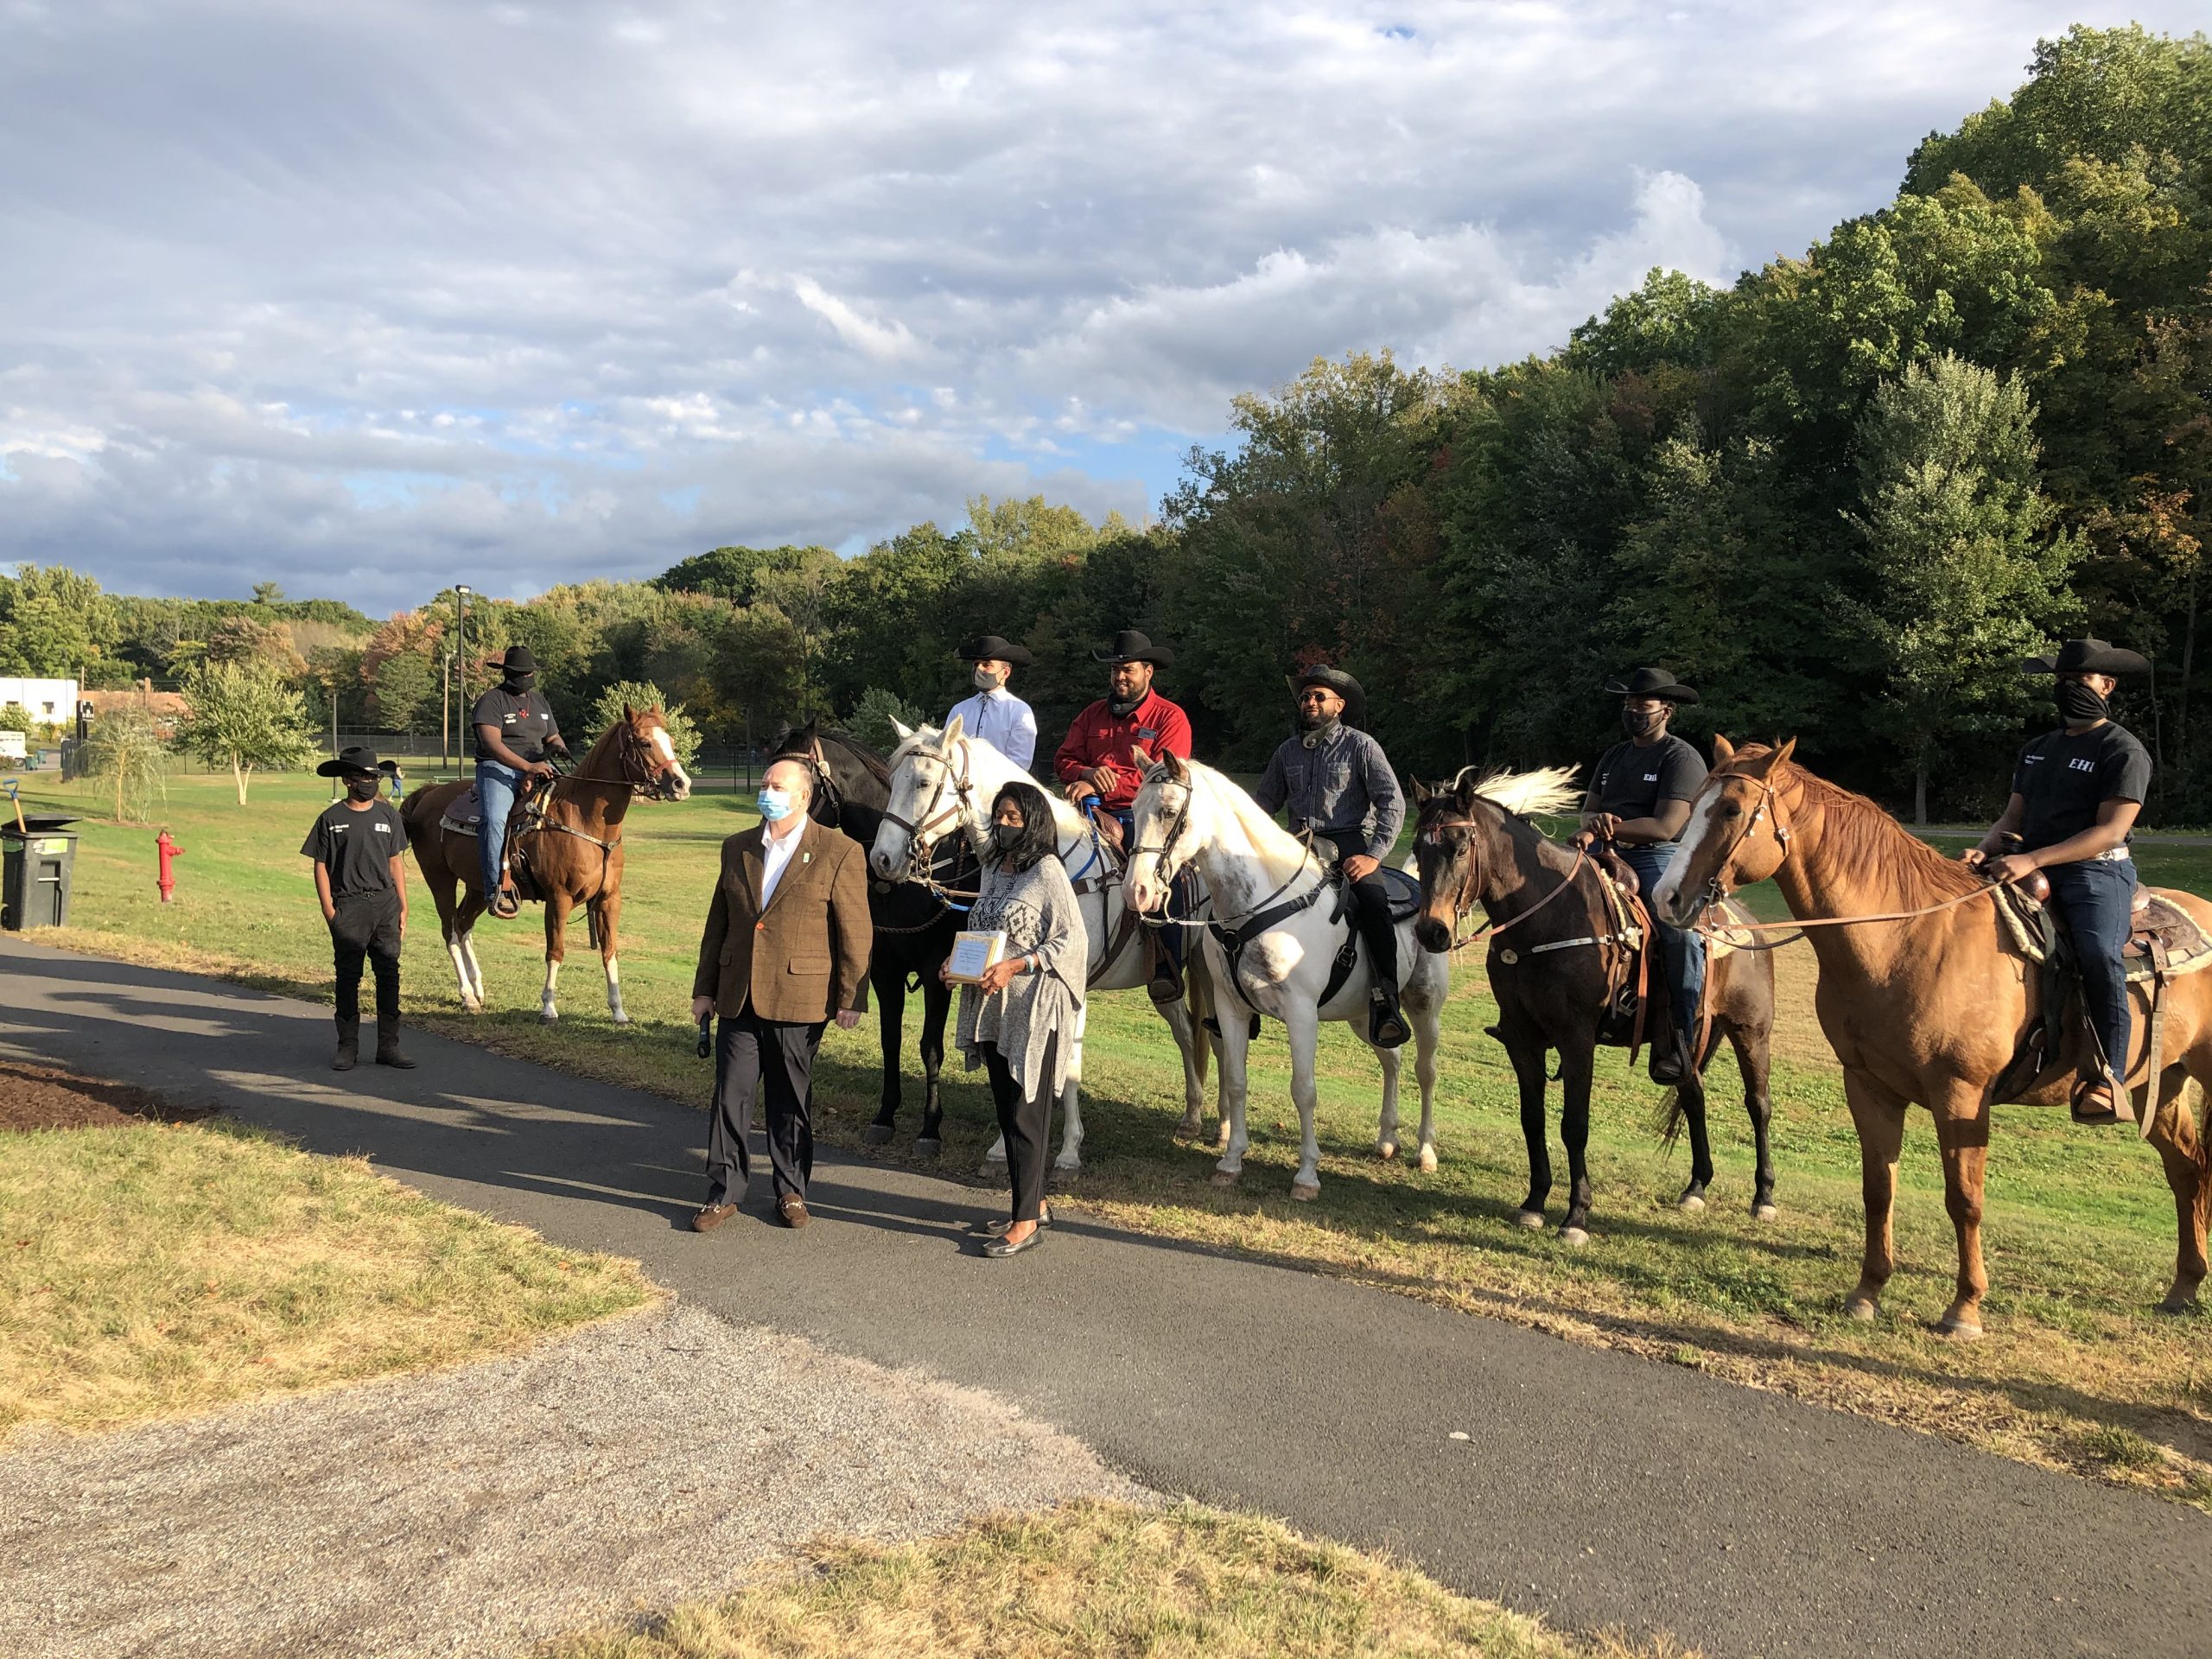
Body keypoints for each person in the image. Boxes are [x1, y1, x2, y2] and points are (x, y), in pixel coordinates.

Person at [1962, 638, 2153, 1124]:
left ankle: (2107, 1077)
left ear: (2107, 686)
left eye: (2080, 681)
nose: (2069, 690)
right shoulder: (2037, 749)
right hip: (2027, 863)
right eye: (2063, 681)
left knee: (2097, 953)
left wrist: (2034, 859)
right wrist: (1985, 850)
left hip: (2097, 871)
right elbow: (2012, 814)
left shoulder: (2123, 749)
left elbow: (2110, 829)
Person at [690, 756, 872, 1231]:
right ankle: (723, 1190)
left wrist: (852, 996)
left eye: (778, 784)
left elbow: (855, 930)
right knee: (731, 1094)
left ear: (803, 796)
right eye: (765, 783)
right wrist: (704, 989)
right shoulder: (738, 847)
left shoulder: (838, 850)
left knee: (790, 1098)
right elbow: (718, 924)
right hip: (738, 992)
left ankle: (790, 1190)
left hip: (800, 994)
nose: (767, 790)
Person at [941, 780, 1087, 1257]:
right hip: (993, 1011)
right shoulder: (992, 869)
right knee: (1008, 1113)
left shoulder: (1047, 872)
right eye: (999, 816)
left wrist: (1018, 966)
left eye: (1013, 817)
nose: (1003, 824)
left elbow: (1071, 941)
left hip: (1033, 1010)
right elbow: (984, 931)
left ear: (1033, 822)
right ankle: (1034, 1202)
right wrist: (955, 965)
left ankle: (1025, 1223)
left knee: (1027, 1114)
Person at [1252, 665, 1408, 1047]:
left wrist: (1373, 856)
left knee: (1373, 902)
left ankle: (1386, 1001)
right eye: (1306, 696)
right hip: (1296, 845)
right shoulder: (1286, 751)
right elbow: (1264, 804)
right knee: (1245, 894)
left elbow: (1393, 803)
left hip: (1351, 841)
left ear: (1339, 705)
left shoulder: (1361, 746)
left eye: (1319, 696)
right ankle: (1245, 1002)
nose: (1310, 702)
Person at [1572, 668, 1708, 1085]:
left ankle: (1682, 1036)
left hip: (1656, 856)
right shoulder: (1613, 756)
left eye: (1642, 705)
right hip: (1600, 849)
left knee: (1676, 932)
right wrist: (1598, 825)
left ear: (1665, 711)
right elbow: (1589, 809)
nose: (1632, 711)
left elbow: (1667, 825)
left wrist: (1610, 825)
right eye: (1628, 704)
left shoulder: (1681, 758)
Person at [1053, 628, 1193, 1001]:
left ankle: (1166, 960)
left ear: (1149, 672)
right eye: (1115, 670)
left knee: (1164, 877)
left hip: (1144, 816)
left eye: (1128, 669)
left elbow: (1165, 774)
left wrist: (1101, 785)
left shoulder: (1170, 717)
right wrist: (1084, 774)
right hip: (1084, 811)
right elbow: (1063, 758)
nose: (1120, 677)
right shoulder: (1091, 715)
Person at [301, 745, 413, 1073]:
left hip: (385, 905)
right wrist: (329, 911)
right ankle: (347, 1046)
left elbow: (396, 863)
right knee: (348, 977)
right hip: (348, 907)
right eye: (363, 777)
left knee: (389, 974)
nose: (369, 782)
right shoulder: (330, 820)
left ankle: (389, 1047)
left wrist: (403, 904)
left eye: (373, 777)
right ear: (348, 780)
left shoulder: (389, 816)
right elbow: (320, 866)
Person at [471, 645, 569, 919]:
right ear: (508, 673)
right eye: (520, 673)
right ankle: (495, 888)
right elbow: (490, 743)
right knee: (494, 820)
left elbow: (552, 736)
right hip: (498, 769)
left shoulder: (539, 702)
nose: (526, 677)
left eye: (529, 672)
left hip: (540, 768)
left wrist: (559, 748)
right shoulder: (492, 701)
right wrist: (527, 766)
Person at [944, 633, 1039, 772]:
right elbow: (946, 750)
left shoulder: (1019, 711)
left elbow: (1019, 763)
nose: (979, 669)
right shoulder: (959, 710)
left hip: (1001, 790)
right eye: (976, 664)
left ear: (1005, 672)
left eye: (987, 665)